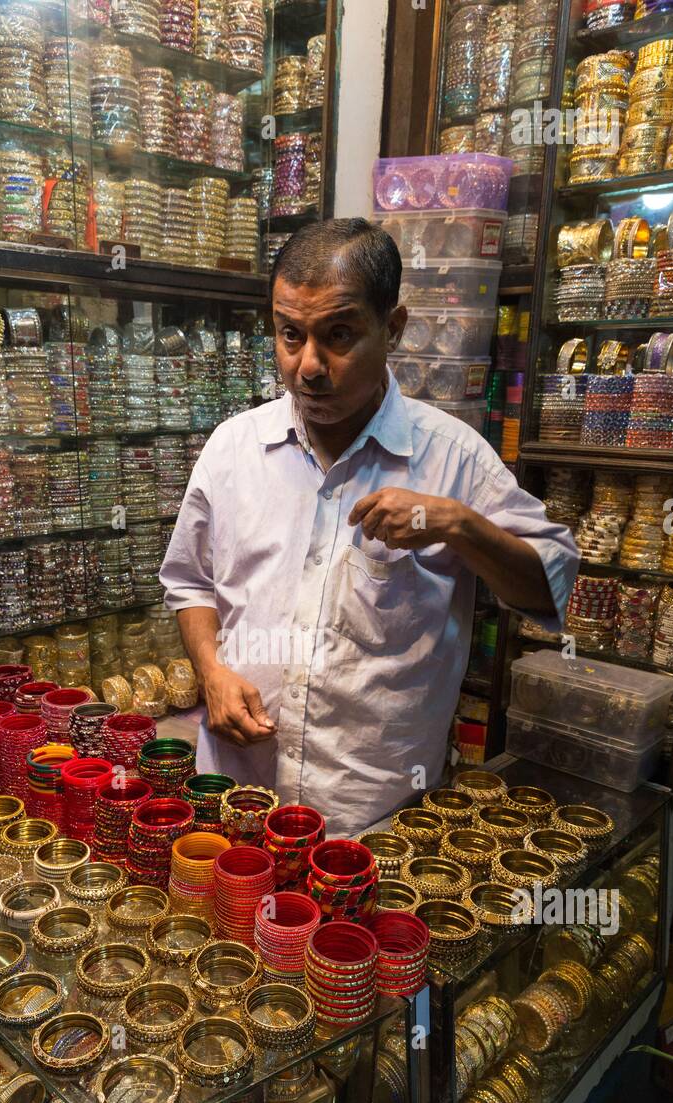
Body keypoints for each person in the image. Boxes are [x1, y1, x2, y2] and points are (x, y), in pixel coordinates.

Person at [160, 218, 579, 836]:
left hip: (371, 818)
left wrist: (459, 525)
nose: (309, 366)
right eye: (289, 335)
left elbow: (550, 586)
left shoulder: (451, 459)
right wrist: (212, 671)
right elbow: (190, 584)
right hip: (236, 795)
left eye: (339, 335)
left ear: (394, 327)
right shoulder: (233, 449)